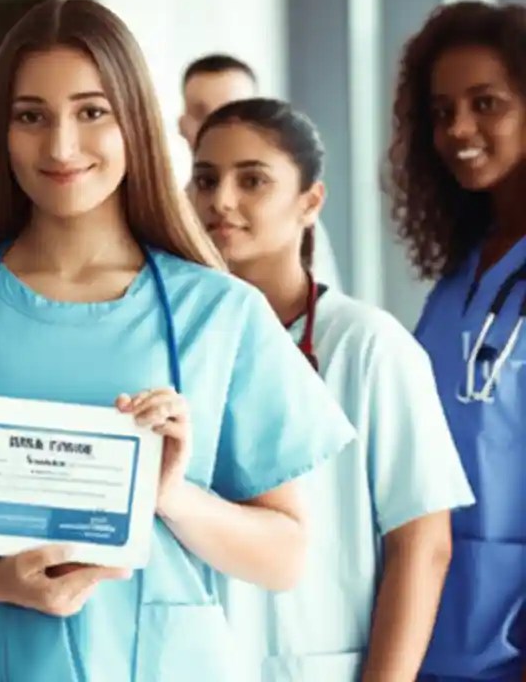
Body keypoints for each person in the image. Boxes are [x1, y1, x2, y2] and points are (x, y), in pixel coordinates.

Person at [0, 0, 355, 682]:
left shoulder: (219, 312)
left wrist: (169, 494)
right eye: (32, 116)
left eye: (92, 112)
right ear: (2, 132)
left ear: (135, 124)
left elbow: (287, 554)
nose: (60, 146)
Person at [191, 97, 474, 682]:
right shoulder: (179, 341)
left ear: (310, 201)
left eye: (253, 181)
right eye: (206, 179)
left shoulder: (368, 347)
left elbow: (423, 544)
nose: (221, 200)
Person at [387, 0, 526, 682]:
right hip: (433, 637)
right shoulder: (458, 276)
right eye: (441, 112)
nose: (458, 130)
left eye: (487, 103)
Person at [178, 53, 342, 289]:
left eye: (252, 181)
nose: (222, 202)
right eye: (202, 113)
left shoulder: (296, 219)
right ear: (182, 125)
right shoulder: (161, 214)